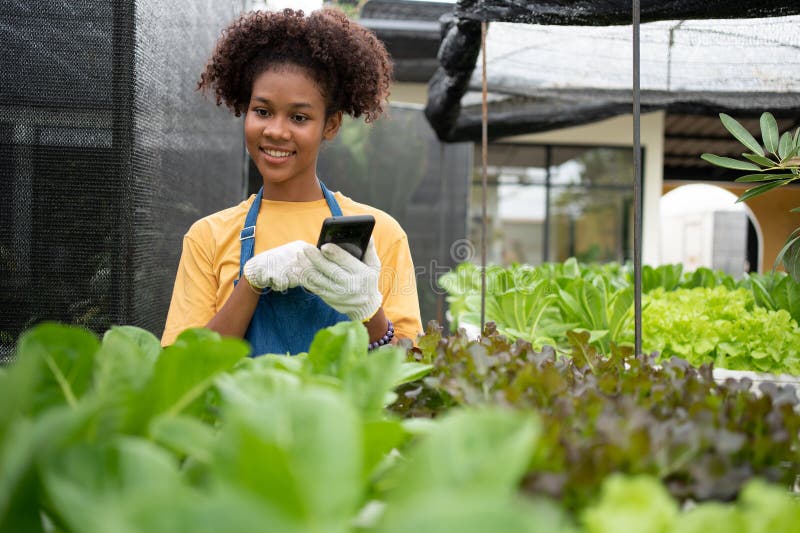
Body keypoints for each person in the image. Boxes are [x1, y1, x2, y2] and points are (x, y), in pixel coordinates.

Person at [161, 8, 422, 354]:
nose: (276, 131)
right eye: (263, 111)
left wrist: (367, 309)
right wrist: (251, 284)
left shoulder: (382, 234)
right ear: (245, 110)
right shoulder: (207, 237)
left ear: (330, 125)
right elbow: (180, 368)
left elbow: (412, 366)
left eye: (299, 117)